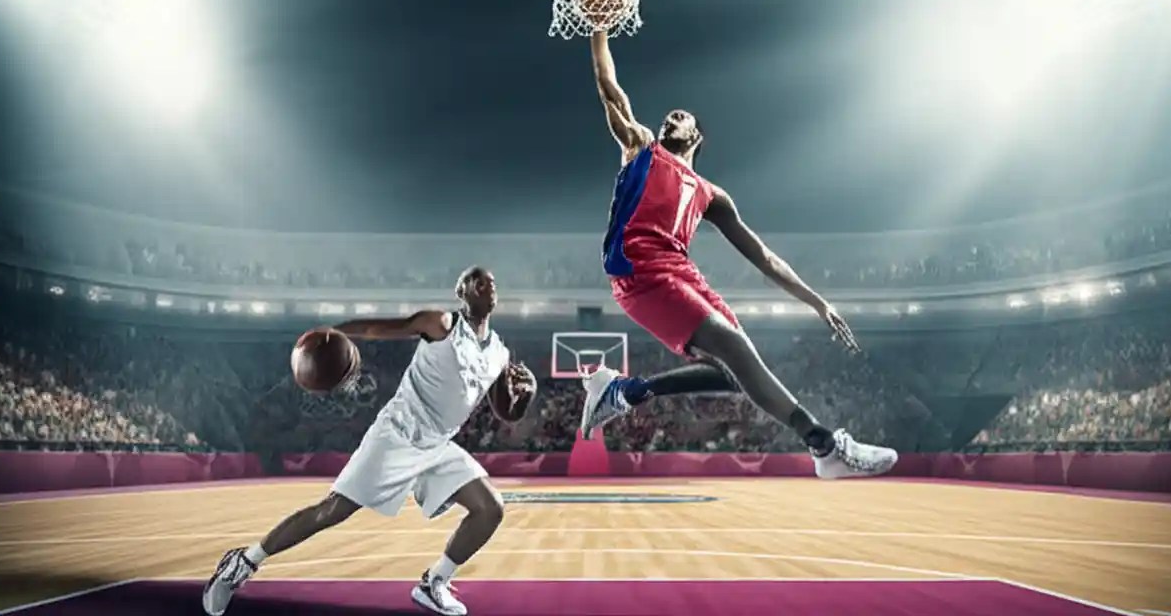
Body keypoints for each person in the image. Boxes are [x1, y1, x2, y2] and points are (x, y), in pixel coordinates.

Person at [579, 30, 896, 479]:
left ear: (697, 137)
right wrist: (599, 27)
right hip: (640, 271)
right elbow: (608, 85)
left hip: (682, 272)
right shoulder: (640, 146)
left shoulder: (712, 195)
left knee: (735, 372)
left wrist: (818, 302)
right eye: (672, 114)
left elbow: (764, 258)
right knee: (734, 347)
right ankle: (823, 445)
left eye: (684, 116)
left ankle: (625, 392)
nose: (675, 115)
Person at [203, 266, 535, 616]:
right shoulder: (440, 324)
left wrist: (526, 394)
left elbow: (506, 412)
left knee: (489, 509)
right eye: (477, 280)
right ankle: (242, 562)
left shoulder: (499, 352)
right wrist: (331, 334)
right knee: (332, 510)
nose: (487, 285)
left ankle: (433, 583)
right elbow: (379, 328)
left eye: (491, 282)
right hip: (398, 432)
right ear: (461, 292)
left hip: (437, 443)